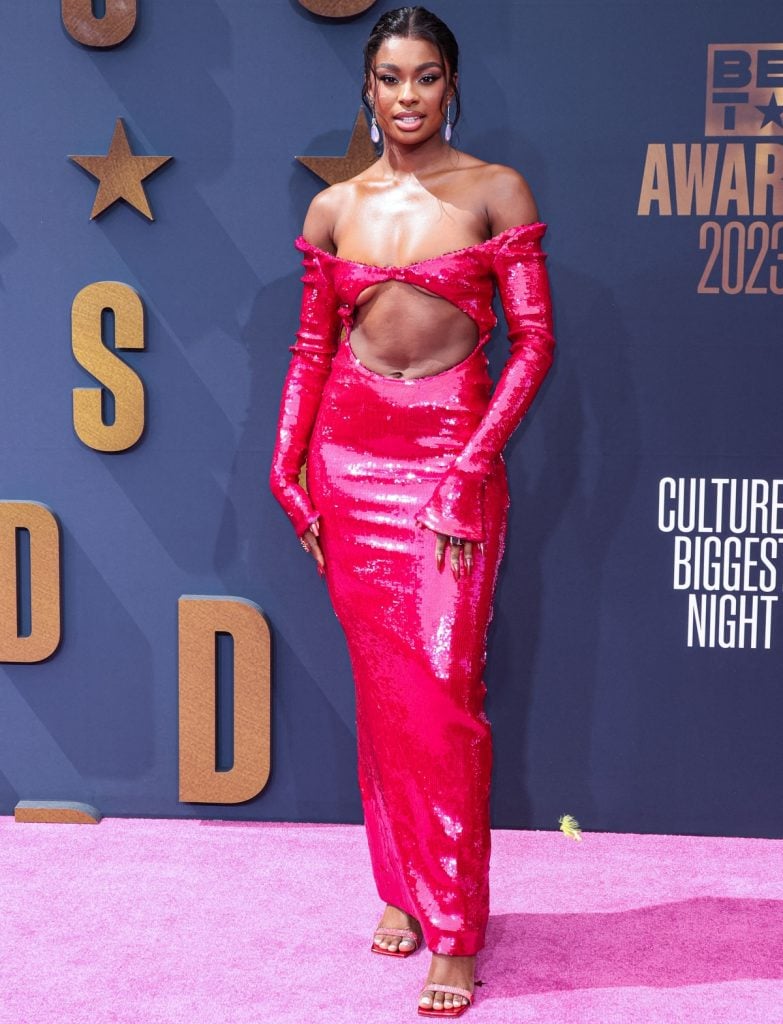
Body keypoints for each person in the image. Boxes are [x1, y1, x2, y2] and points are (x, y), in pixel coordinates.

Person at [270, 6, 555, 1017]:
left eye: (425, 77)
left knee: (443, 693)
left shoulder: (493, 191)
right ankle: (400, 885)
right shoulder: (334, 209)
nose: (406, 97)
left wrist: (469, 465)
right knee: (386, 688)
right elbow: (311, 350)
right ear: (368, 87)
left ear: (450, 85)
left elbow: (533, 344)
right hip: (348, 461)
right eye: (390, 78)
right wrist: (285, 469)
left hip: (448, 460)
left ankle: (456, 928)